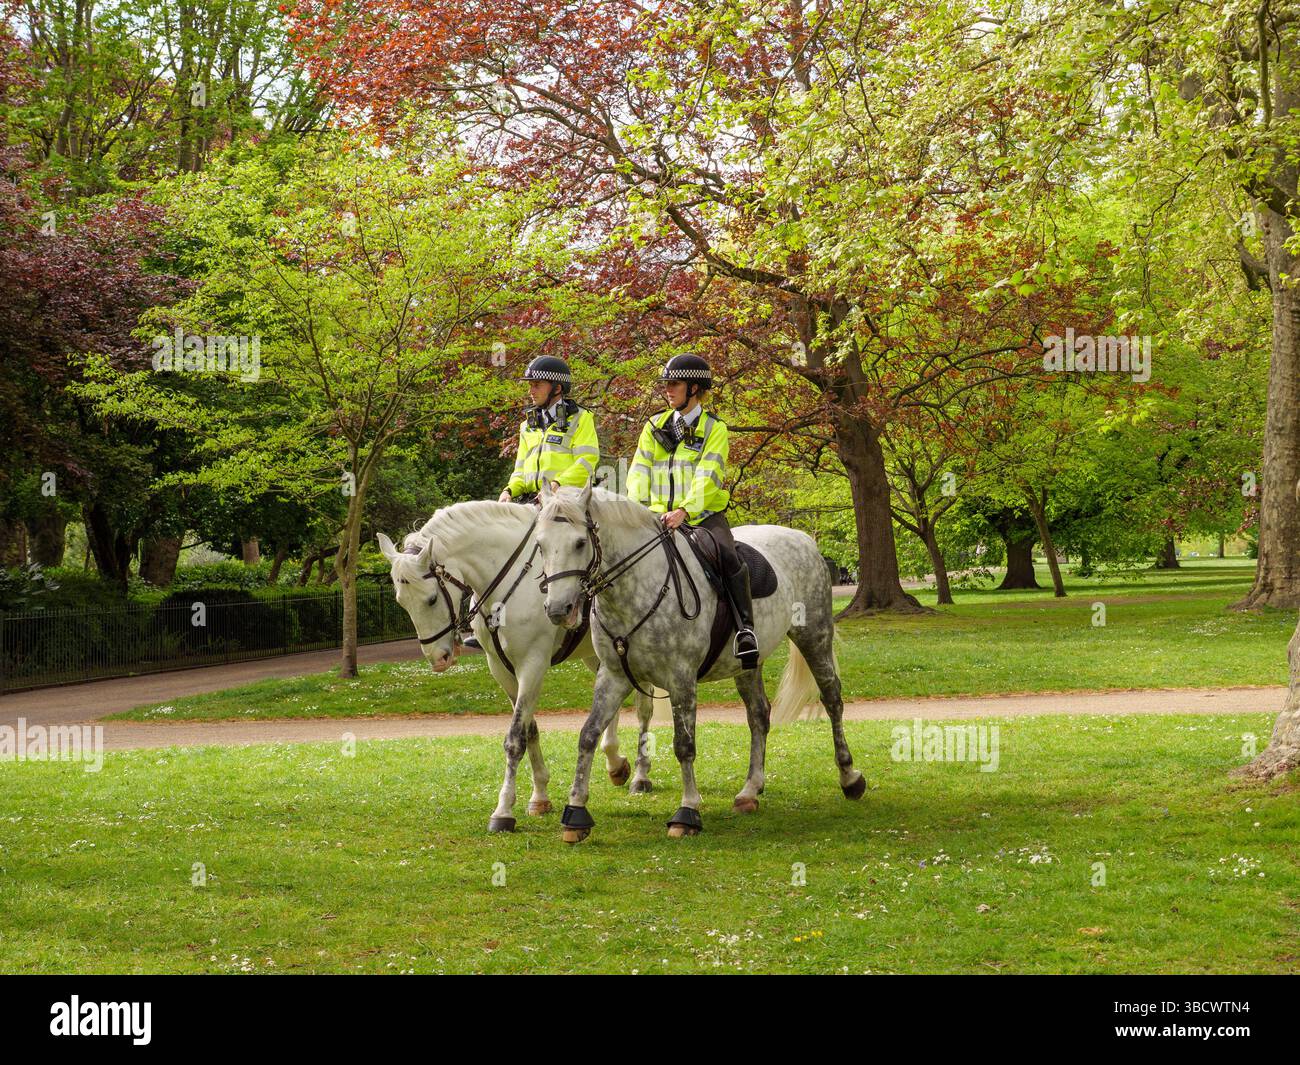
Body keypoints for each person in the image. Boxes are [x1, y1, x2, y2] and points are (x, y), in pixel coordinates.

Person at [626, 353, 758, 669]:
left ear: (694, 388)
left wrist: (686, 510)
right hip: (656, 516)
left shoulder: (714, 428)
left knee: (727, 554)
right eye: (666, 384)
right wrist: (638, 509)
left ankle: (745, 630)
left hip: (702, 516)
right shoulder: (653, 426)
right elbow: (638, 470)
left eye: (674, 384)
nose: (667, 390)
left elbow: (709, 475)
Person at [461, 355, 599, 653]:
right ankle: (482, 620)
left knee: (569, 551)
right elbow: (522, 468)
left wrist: (558, 485)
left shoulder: (580, 419)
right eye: (530, 385)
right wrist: (510, 489)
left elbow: (587, 460)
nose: (531, 390)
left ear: (557, 387)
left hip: (566, 501)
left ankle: (587, 616)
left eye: (537, 384)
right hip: (532, 500)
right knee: (492, 544)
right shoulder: (529, 424)